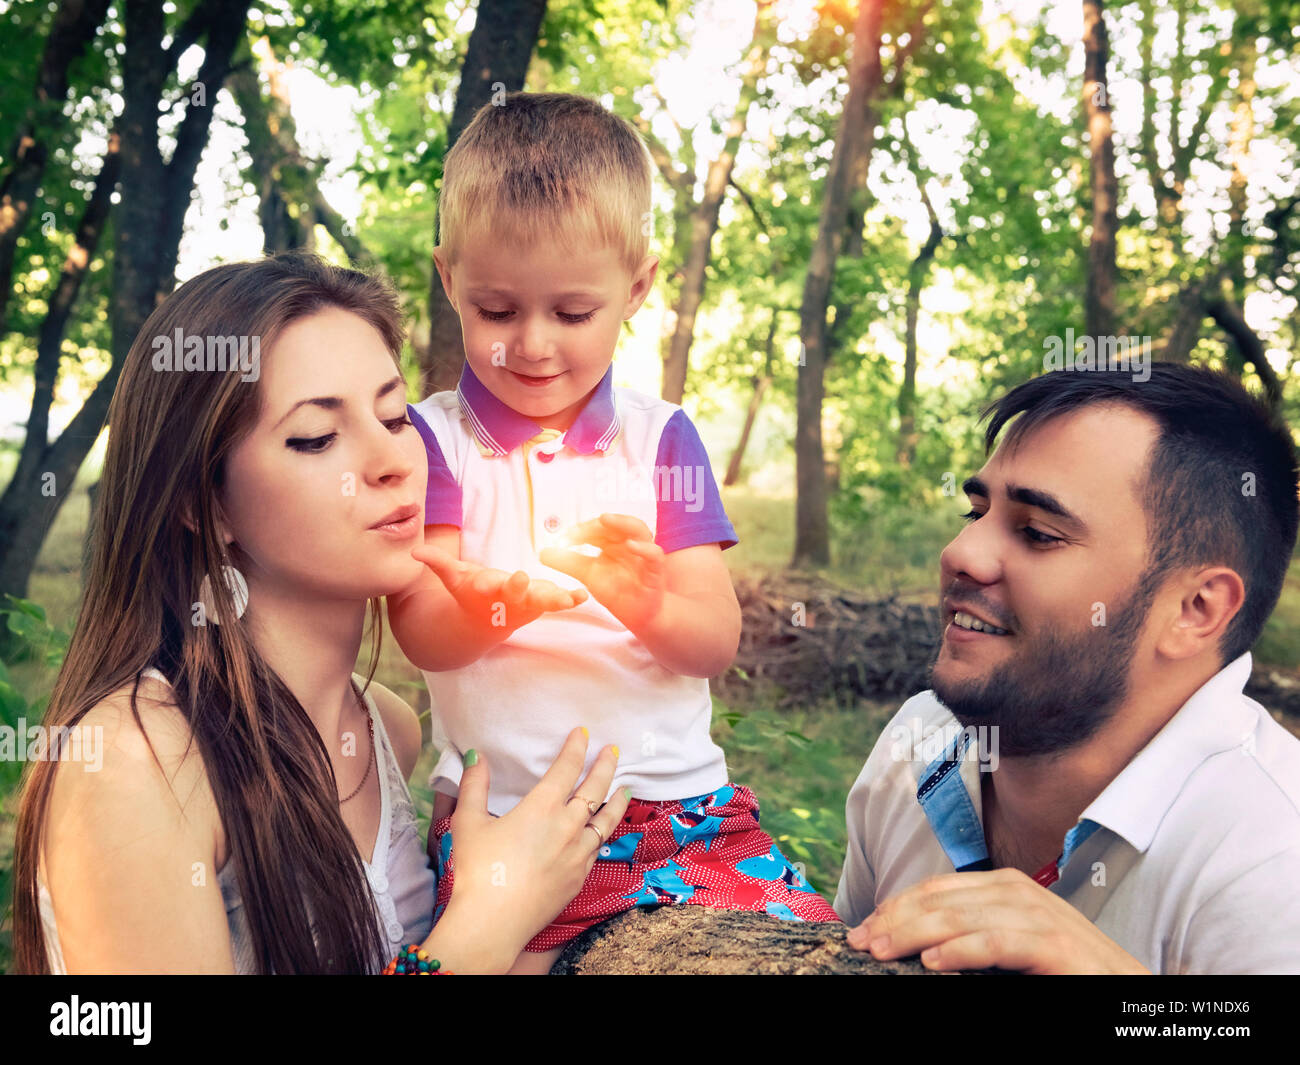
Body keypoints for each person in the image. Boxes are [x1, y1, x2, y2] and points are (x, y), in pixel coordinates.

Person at [12, 252, 630, 974]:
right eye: (316, 437)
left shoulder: (389, 729)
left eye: (395, 416)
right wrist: (487, 924)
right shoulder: (133, 760)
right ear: (202, 501)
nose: (391, 461)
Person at [388, 92, 841, 975]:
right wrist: (494, 606)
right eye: (495, 309)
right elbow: (422, 629)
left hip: (679, 812)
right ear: (449, 280)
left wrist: (645, 600)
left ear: (637, 287)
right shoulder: (430, 438)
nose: (531, 344)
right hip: (506, 821)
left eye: (571, 312)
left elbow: (711, 640)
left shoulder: (660, 436)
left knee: (804, 950)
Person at [834, 362, 1300, 974]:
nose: (961, 554)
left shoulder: (1273, 858)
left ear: (1194, 610)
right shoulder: (919, 742)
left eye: (1039, 532)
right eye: (975, 514)